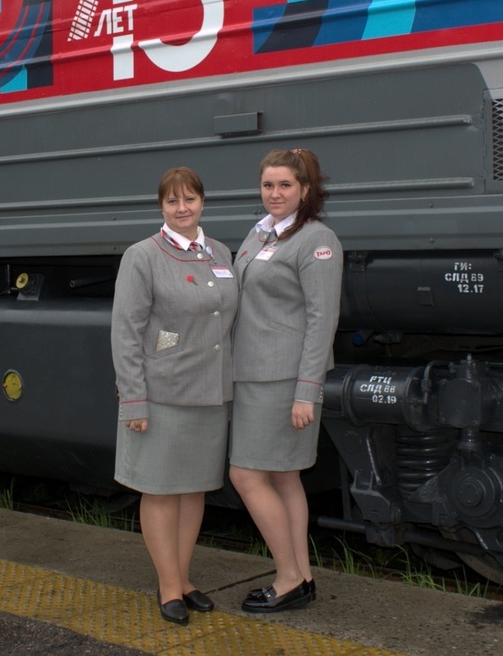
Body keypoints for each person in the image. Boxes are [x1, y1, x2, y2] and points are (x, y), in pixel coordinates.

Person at [111, 166, 238, 626]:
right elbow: (125, 333)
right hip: (163, 393)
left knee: (194, 489)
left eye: (190, 199)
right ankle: (168, 586)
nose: (182, 209)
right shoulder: (142, 256)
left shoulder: (220, 252)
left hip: (209, 392)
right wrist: (133, 400)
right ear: (161, 207)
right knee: (162, 491)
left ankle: (184, 578)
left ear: (203, 202)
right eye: (172, 201)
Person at [230, 148, 343, 613]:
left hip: (281, 379)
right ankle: (303, 575)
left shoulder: (318, 240)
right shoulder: (261, 233)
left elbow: (323, 320)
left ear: (306, 190)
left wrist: (307, 392)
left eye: (285, 186)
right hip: (254, 372)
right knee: (284, 476)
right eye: (268, 185)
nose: (275, 194)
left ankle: (286, 577)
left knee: (245, 474)